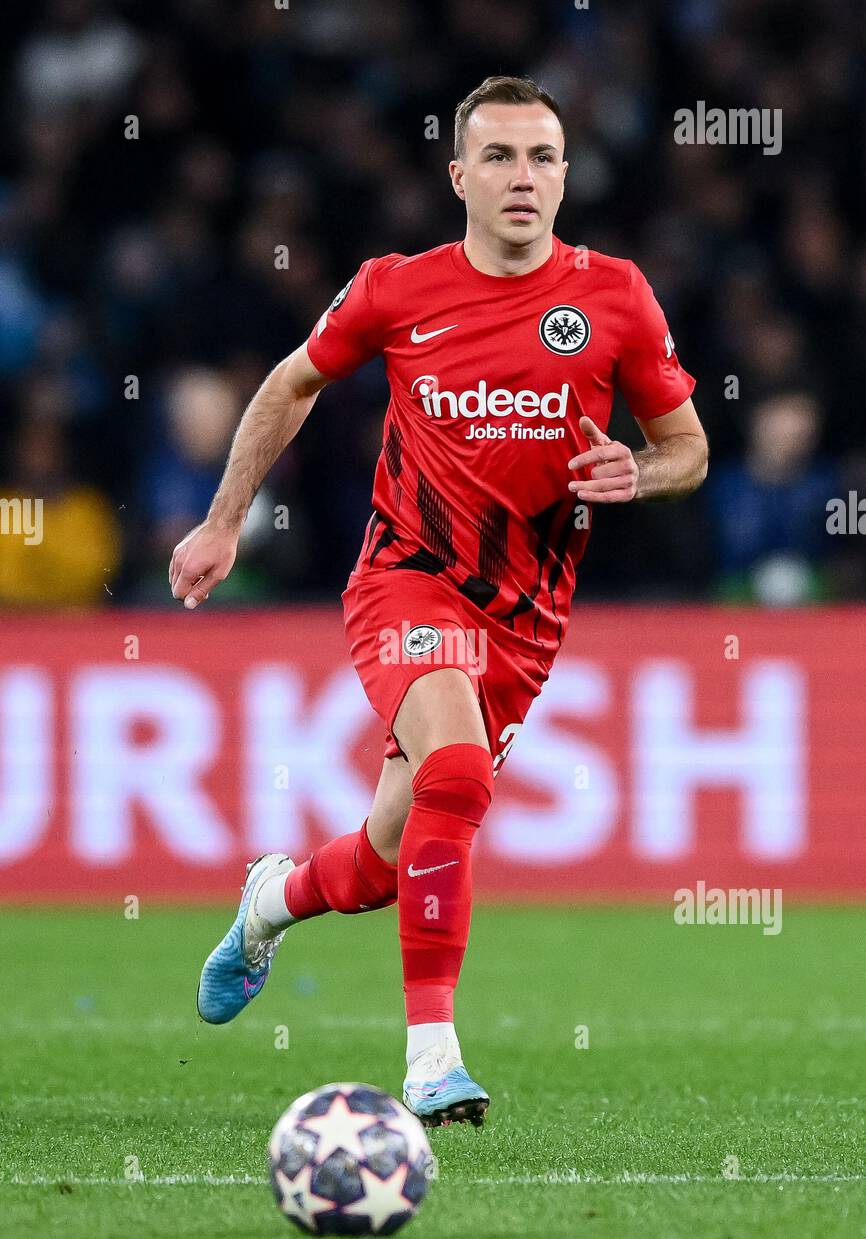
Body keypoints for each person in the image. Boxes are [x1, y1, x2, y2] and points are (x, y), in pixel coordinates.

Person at [170, 76, 708, 1128]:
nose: (523, 178)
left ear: (565, 174)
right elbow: (289, 384)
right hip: (405, 578)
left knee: (383, 857)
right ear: (457, 175)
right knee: (456, 772)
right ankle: (429, 1059)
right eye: (499, 157)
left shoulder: (615, 297)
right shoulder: (395, 289)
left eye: (542, 157)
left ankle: (270, 903)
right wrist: (223, 520)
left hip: (525, 621)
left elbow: (687, 449)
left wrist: (632, 475)